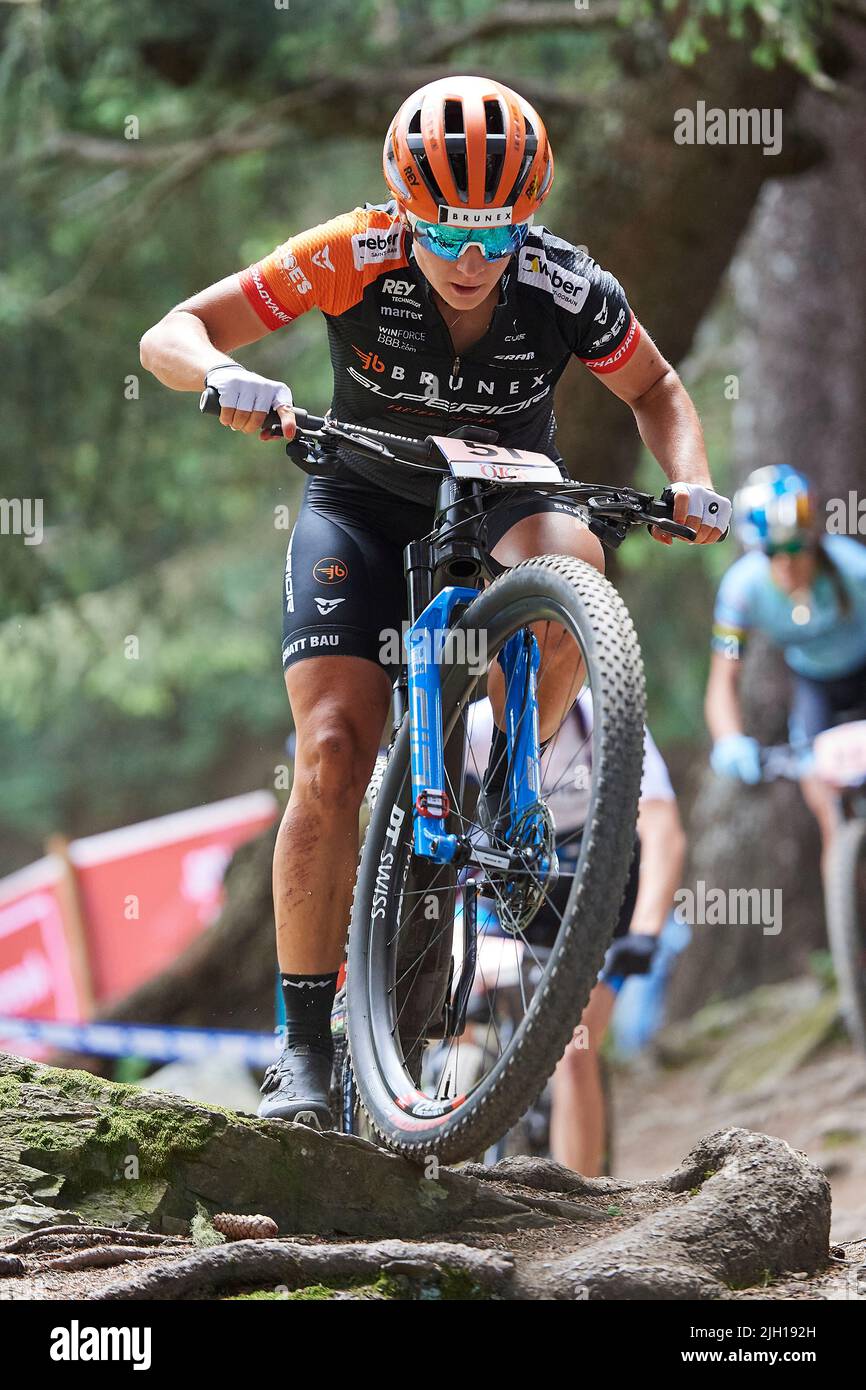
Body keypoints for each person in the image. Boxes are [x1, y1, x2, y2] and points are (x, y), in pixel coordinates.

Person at [140, 74, 728, 1127]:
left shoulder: (563, 284)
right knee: (327, 753)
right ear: (402, 213)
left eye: (492, 237)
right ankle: (305, 1051)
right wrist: (223, 375)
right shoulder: (348, 253)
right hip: (360, 498)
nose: (468, 259)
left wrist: (687, 479)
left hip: (505, 495)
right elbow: (174, 329)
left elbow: (656, 389)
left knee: (575, 565)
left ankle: (505, 785)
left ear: (525, 223)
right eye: (444, 233)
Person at [467, 691, 686, 1176]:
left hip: (599, 903)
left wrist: (645, 934)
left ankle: (580, 1203)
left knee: (576, 1047)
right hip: (509, 897)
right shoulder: (477, 725)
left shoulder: (609, 718)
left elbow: (662, 829)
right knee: (453, 1021)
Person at [706, 465, 866, 858]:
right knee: (831, 817)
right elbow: (723, 680)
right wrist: (728, 739)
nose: (785, 564)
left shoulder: (854, 570)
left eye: (794, 547)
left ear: (811, 538)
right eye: (772, 552)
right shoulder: (742, 592)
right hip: (815, 688)